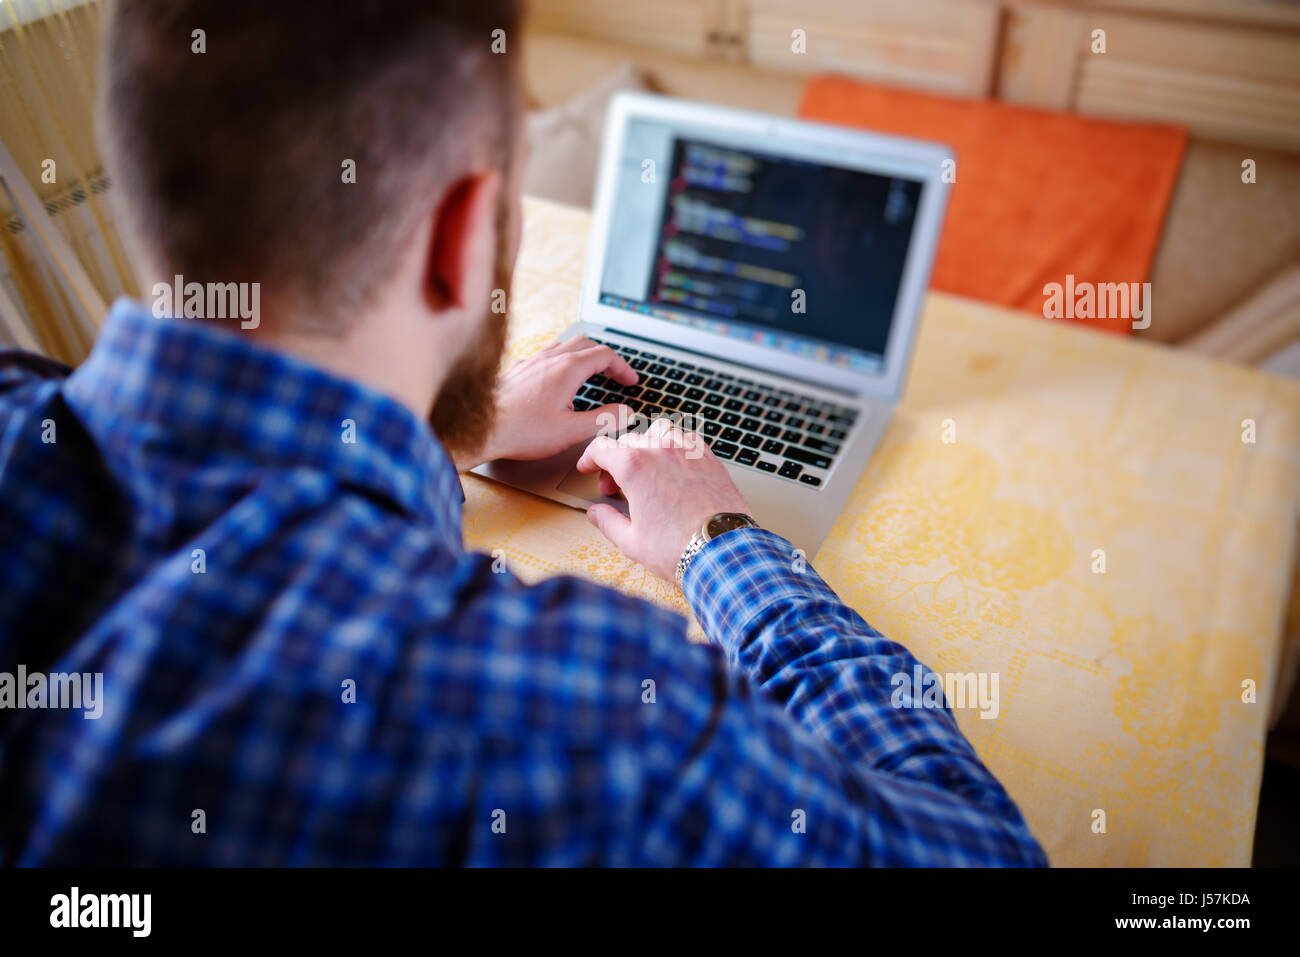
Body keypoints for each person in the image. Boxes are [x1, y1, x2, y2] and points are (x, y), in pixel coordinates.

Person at [0, 0, 1046, 866]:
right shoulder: (591, 721)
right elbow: (981, 854)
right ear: (465, 237)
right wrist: (721, 544)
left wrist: (437, 429)